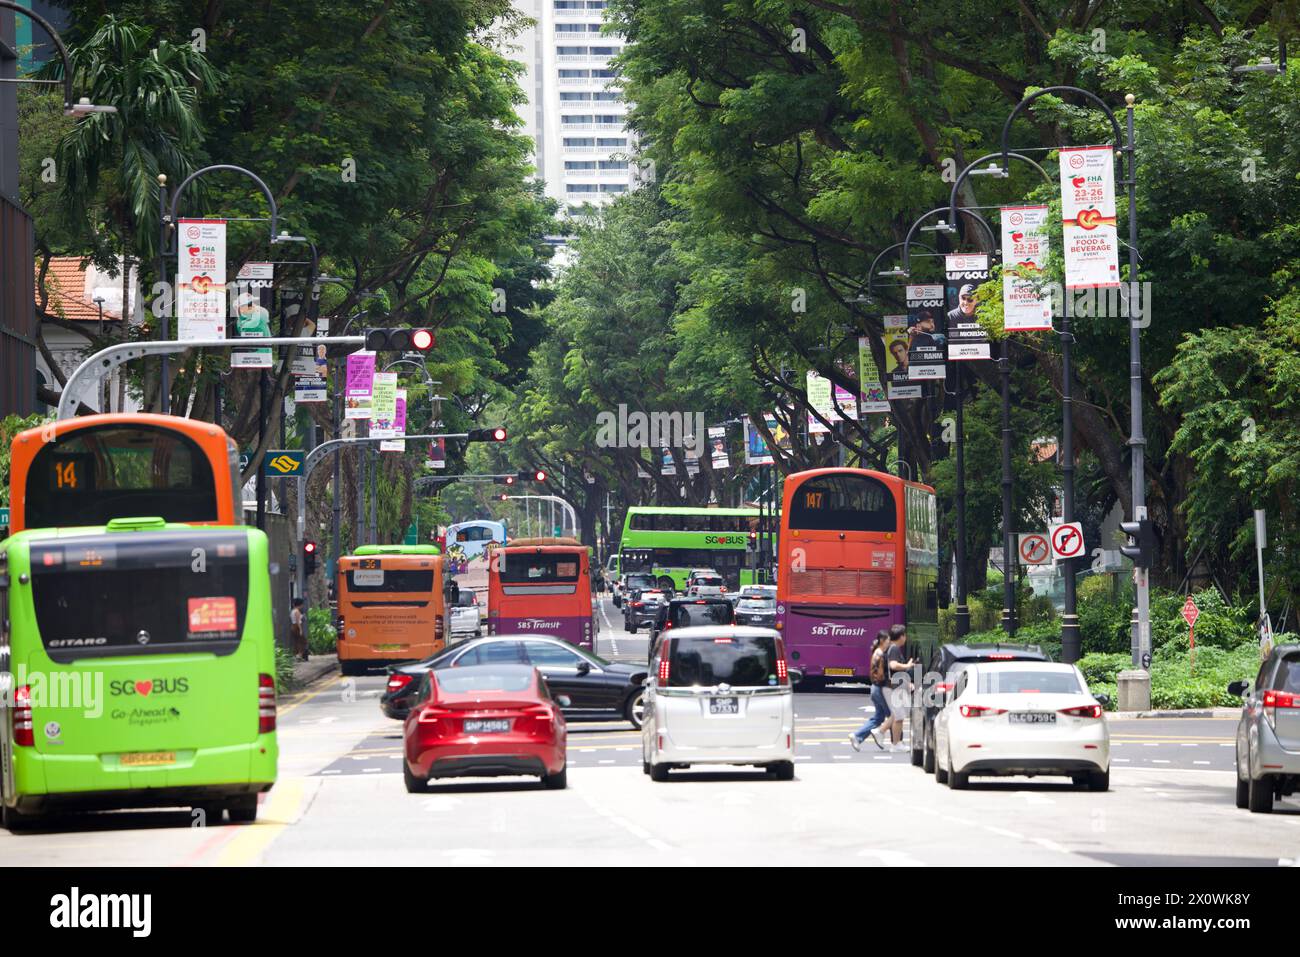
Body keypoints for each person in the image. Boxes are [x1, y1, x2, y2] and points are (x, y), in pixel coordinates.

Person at [848, 630, 893, 751]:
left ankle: (857, 736)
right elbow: (880, 675)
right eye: (888, 640)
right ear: (883, 641)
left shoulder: (876, 652)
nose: (889, 643)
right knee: (893, 715)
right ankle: (895, 742)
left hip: (874, 688)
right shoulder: (881, 654)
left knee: (878, 718)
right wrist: (889, 684)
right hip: (880, 688)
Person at [879, 624, 918, 751]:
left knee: (897, 715)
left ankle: (881, 731)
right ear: (901, 636)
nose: (905, 637)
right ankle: (895, 744)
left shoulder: (892, 647)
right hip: (895, 687)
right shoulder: (894, 648)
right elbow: (893, 665)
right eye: (905, 635)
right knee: (899, 716)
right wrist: (907, 666)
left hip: (896, 685)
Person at [290, 598, 308, 662]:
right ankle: (299, 655)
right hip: (297, 627)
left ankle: (296, 655)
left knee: (296, 642)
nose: (302, 606)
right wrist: (300, 629)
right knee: (303, 641)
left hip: (293, 626)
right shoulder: (297, 611)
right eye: (302, 605)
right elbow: (298, 621)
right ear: (299, 605)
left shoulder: (292, 611)